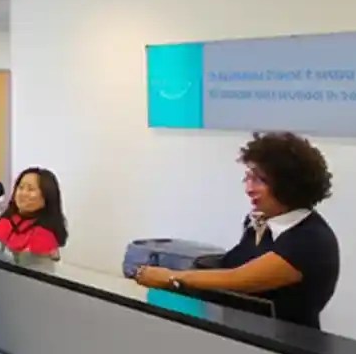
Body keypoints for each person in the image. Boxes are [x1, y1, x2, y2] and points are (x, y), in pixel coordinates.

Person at [135, 131, 340, 329]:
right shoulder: (257, 225)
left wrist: (171, 278)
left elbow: (237, 279)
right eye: (248, 178)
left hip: (289, 351)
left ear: (288, 183)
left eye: (259, 180)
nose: (249, 188)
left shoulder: (310, 239)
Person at [0, 168, 67, 261]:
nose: (23, 193)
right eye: (20, 187)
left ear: (47, 196)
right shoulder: (4, 221)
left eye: (31, 189)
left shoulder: (44, 235)